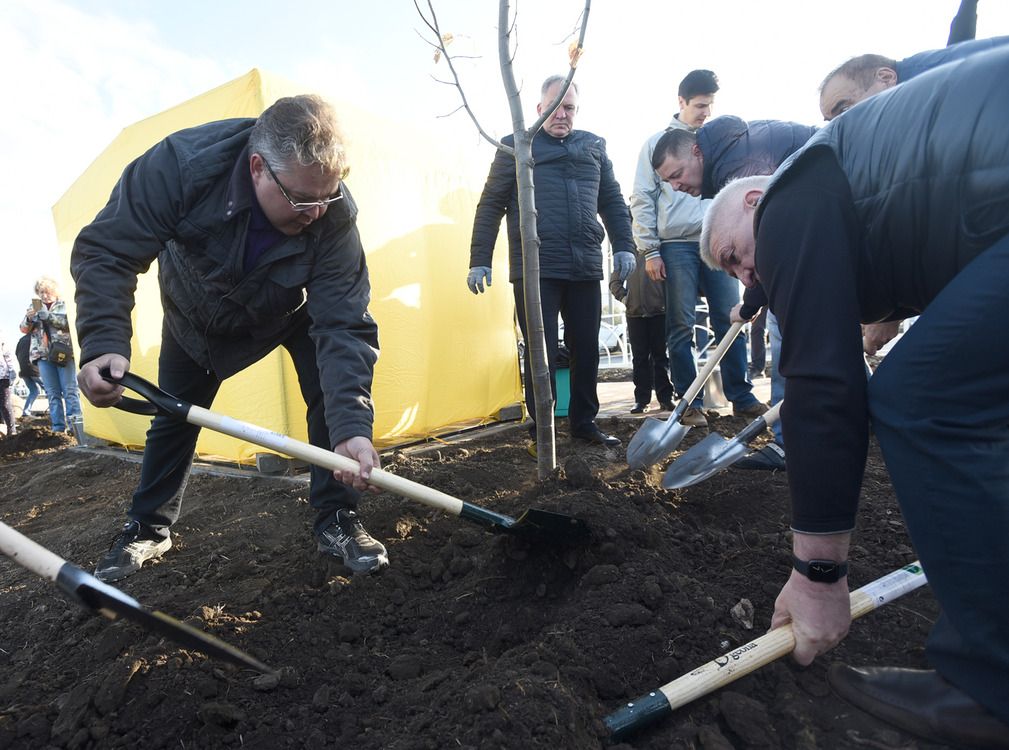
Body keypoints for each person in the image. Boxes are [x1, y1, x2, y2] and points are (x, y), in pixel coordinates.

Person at [698, 46, 1009, 747]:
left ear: (754, 198)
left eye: (734, 256)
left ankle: (992, 688)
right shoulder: (851, 186)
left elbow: (822, 388)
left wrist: (817, 575)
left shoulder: (786, 195)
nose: (748, 276)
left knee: (921, 396)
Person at [71, 94, 388, 581]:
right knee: (174, 415)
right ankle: (148, 527)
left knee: (333, 398)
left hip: (287, 310)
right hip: (196, 313)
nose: (316, 213)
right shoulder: (181, 165)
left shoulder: (333, 213)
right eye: (303, 199)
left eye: (327, 196)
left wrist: (351, 428)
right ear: (258, 167)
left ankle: (337, 518)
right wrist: (103, 342)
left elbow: (343, 321)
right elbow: (108, 250)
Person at [467, 75, 633, 454]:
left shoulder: (593, 147)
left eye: (569, 107)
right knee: (540, 350)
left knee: (587, 347)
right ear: (539, 109)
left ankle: (584, 422)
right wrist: (479, 259)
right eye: (555, 106)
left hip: (585, 263)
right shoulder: (515, 147)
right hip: (535, 266)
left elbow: (612, 201)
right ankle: (542, 424)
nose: (562, 114)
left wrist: (625, 246)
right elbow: (491, 204)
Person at [629, 70, 765, 430]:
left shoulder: (715, 144)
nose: (706, 112)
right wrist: (650, 250)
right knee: (680, 323)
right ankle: (690, 401)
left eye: (710, 105)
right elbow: (642, 198)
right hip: (676, 245)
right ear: (681, 102)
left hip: (721, 242)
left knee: (731, 316)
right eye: (700, 105)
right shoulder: (656, 145)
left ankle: (742, 395)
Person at [818, 34, 1009, 122]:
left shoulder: (936, 87)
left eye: (843, 109)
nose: (837, 127)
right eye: (831, 121)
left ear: (885, 78)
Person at [609, 257, 674, 415]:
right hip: (634, 314)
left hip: (660, 312)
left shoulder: (659, 251)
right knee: (639, 358)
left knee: (661, 357)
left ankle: (666, 398)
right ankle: (641, 400)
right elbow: (614, 282)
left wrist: (666, 300)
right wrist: (626, 299)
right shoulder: (627, 255)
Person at [19, 277, 83, 435]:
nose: (44, 295)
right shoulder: (33, 307)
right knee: (52, 393)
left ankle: (75, 427)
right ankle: (58, 429)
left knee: (69, 390)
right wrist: (29, 318)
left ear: (54, 292)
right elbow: (23, 329)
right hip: (43, 355)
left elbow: (71, 323)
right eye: (41, 292)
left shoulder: (65, 304)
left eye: (47, 292)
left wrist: (48, 316)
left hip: (63, 353)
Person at [15, 333, 44, 417]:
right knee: (50, 389)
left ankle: (26, 411)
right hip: (34, 369)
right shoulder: (36, 337)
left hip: (23, 370)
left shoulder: (21, 340)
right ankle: (55, 412)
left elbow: (16, 353)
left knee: (34, 390)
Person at [0, 342, 16, 437]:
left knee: (5, 404)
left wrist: (12, 371)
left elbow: (7, 354)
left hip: (2, 375)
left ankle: (12, 430)